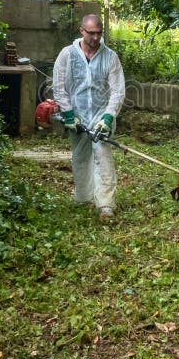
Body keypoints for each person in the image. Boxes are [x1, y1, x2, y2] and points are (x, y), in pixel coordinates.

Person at [52, 14, 125, 219]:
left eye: (99, 33)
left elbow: (118, 91)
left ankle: (105, 204)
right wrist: (68, 114)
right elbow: (58, 87)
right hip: (77, 116)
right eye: (91, 33)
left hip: (101, 116)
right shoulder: (67, 55)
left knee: (102, 156)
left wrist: (108, 117)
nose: (96, 38)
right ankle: (84, 197)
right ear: (81, 30)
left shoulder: (110, 57)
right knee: (80, 157)